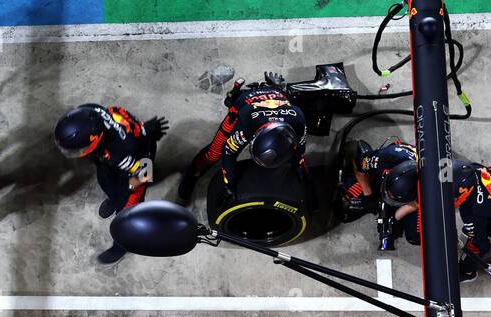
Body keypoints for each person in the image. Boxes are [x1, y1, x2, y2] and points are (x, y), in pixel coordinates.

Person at [53, 103, 168, 265]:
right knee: (105, 179)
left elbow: (144, 174)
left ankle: (122, 244)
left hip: (138, 162)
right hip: (111, 152)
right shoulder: (91, 110)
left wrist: (127, 192)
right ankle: (114, 199)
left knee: (127, 210)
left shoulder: (123, 151)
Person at [177, 74, 307, 205]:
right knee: (214, 153)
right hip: (244, 105)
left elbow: (299, 149)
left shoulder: (298, 119)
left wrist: (298, 164)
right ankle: (191, 175)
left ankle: (275, 88)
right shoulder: (247, 121)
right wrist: (229, 186)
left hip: (275, 95)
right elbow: (228, 154)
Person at [336, 138, 416, 249]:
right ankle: (366, 151)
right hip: (387, 169)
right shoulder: (382, 158)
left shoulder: (429, 183)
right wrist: (368, 195)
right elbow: (357, 164)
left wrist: (396, 216)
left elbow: (419, 203)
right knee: (344, 209)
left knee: (415, 236)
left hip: (414, 195)